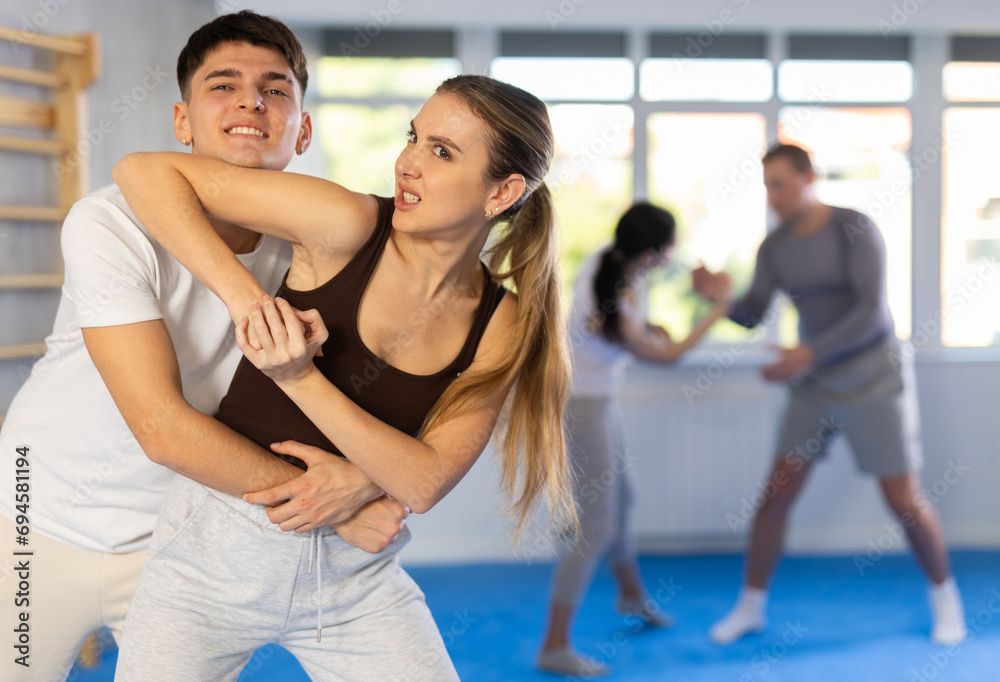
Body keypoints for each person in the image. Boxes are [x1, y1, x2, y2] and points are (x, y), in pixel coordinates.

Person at [110, 73, 575, 680]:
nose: (407, 162)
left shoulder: (501, 322)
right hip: (208, 561)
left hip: (354, 580)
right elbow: (142, 172)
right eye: (414, 137)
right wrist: (250, 303)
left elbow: (425, 480)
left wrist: (298, 377)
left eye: (441, 152)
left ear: (502, 191)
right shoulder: (347, 222)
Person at [0, 12, 400, 682]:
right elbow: (161, 428)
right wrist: (333, 502)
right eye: (225, 85)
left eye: (276, 89)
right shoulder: (109, 220)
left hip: (178, 542)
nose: (251, 100)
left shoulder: (322, 245)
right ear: (183, 124)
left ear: (302, 130)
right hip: (35, 520)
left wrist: (373, 478)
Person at [697, 143, 966, 646]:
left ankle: (946, 602)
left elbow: (872, 314)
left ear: (808, 177)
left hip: (873, 374)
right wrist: (720, 297)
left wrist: (804, 353)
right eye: (767, 186)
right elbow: (752, 313)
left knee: (903, 499)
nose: (773, 195)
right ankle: (750, 608)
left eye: (780, 183)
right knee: (775, 496)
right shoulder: (774, 247)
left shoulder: (854, 228)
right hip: (815, 384)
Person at [537, 203, 734, 678]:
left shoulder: (609, 261)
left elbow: (612, 330)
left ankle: (630, 596)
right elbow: (666, 359)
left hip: (591, 402)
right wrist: (717, 311)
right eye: (665, 251)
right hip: (581, 408)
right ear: (649, 253)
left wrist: (647, 329)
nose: (668, 259)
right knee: (597, 525)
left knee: (623, 501)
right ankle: (554, 644)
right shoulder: (614, 292)